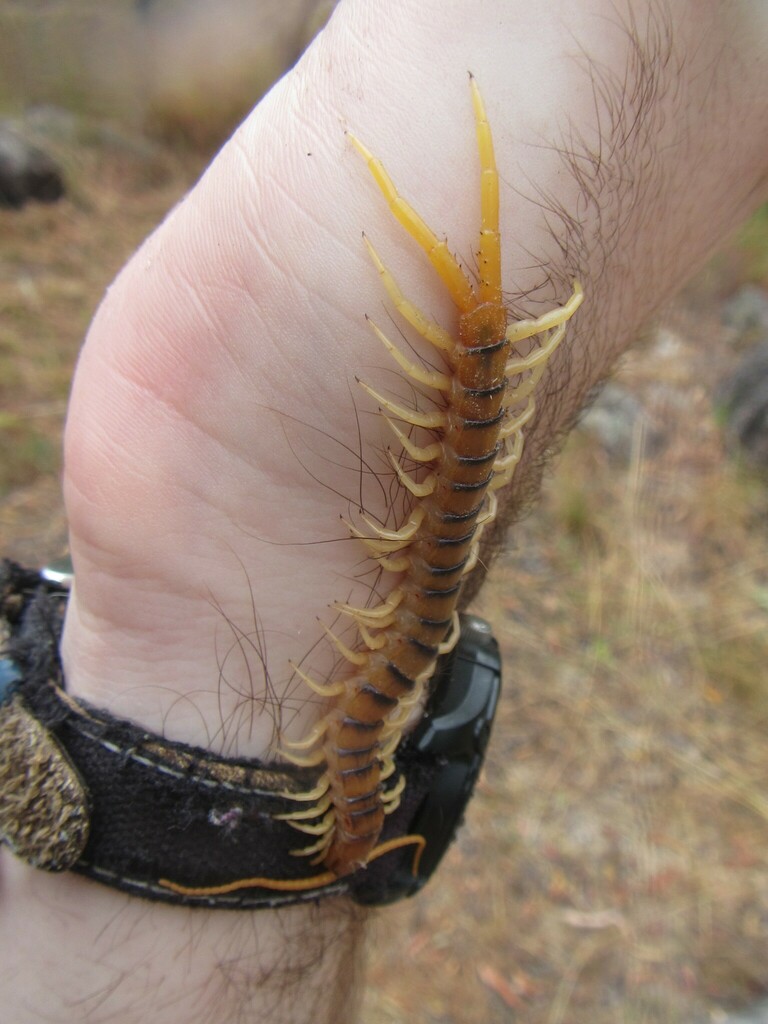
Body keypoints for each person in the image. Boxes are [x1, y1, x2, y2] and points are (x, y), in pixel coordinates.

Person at [1, 1, 766, 1021]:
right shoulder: (361, 713)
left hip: (447, 445)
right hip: (458, 427)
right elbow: (409, 597)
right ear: (348, 804)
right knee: (458, 389)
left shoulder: (360, 720)